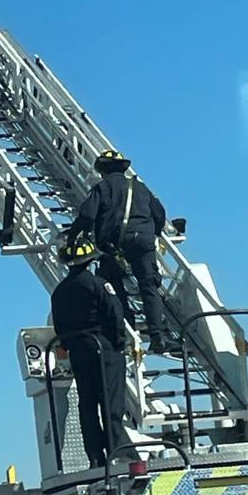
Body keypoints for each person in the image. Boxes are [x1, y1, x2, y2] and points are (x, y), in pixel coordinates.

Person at [68, 149, 168, 352]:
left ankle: (127, 326)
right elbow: (160, 213)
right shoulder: (140, 188)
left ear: (102, 170)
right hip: (144, 242)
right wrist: (152, 234)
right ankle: (158, 335)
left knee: (111, 284)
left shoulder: (102, 188)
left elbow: (87, 215)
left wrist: (73, 237)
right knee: (149, 286)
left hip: (115, 246)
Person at [51, 237, 131, 468]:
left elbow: (60, 327)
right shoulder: (99, 285)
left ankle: (95, 457)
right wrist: (119, 342)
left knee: (87, 404)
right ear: (90, 261)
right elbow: (115, 314)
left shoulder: (59, 292)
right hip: (105, 351)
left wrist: (71, 345)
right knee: (111, 403)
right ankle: (118, 453)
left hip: (79, 352)